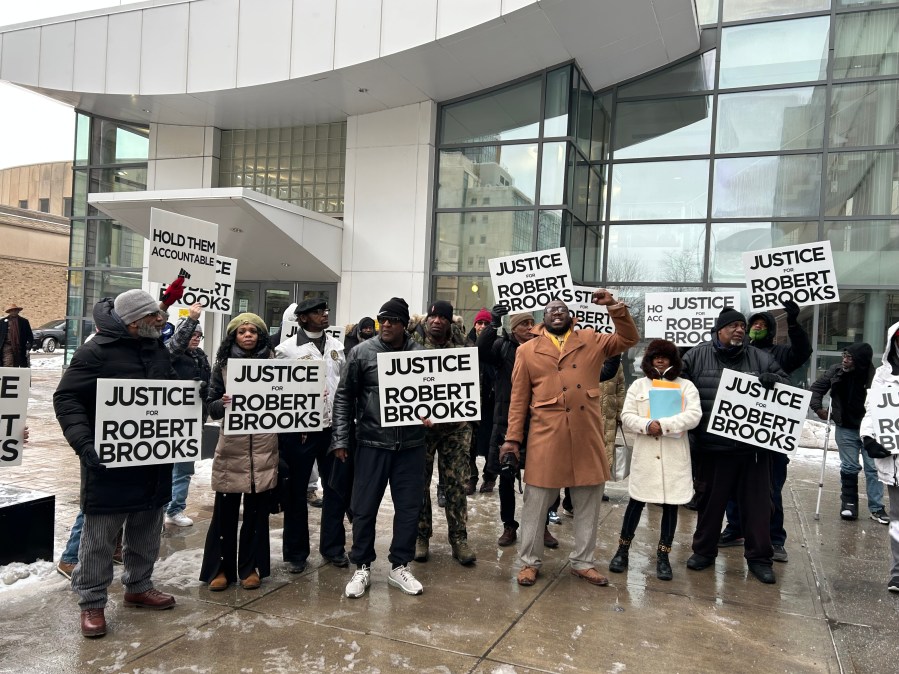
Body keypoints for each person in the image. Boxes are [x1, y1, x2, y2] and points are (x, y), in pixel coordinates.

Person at [53, 289, 179, 638]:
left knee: (146, 528)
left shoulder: (157, 348)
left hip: (152, 459)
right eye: (154, 315)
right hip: (109, 463)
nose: (160, 319)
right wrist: (84, 443)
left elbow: (167, 394)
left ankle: (139, 585)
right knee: (100, 538)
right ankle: (92, 602)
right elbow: (67, 397)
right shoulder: (94, 351)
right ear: (134, 320)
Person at [502, 290, 639, 588]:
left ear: (570, 316)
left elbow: (628, 339)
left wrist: (614, 307)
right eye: (551, 309)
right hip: (545, 436)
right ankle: (529, 561)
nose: (557, 312)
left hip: (585, 435)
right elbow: (518, 399)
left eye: (561, 309)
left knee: (588, 500)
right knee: (536, 503)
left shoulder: (591, 339)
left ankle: (583, 561)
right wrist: (512, 440)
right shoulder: (527, 351)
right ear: (543, 318)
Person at [680, 307, 789, 584]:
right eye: (733, 326)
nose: (740, 330)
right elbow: (678, 388)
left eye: (742, 326)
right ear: (719, 330)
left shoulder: (761, 357)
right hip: (712, 449)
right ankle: (703, 552)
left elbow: (788, 387)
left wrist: (775, 382)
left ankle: (759, 559)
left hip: (752, 451)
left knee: (758, 508)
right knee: (709, 505)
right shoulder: (696, 355)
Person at [331, 297, 429, 598]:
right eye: (382, 319)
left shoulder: (420, 355)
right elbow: (344, 397)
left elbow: (433, 394)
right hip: (371, 443)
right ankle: (362, 565)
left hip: (411, 446)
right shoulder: (361, 353)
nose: (386, 325)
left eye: (393, 320)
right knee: (363, 509)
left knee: (410, 509)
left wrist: (434, 413)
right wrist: (341, 439)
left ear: (404, 325)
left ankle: (400, 565)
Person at [719, 301, 813, 561]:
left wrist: (794, 323)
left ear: (771, 330)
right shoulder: (739, 352)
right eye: (753, 324)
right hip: (739, 431)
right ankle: (735, 529)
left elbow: (803, 351)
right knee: (734, 486)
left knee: (771, 489)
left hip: (770, 434)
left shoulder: (781, 353)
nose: (756, 328)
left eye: (762, 325)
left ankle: (774, 539)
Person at [609, 340, 701, 581]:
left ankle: (663, 556)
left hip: (674, 456)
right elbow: (627, 415)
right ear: (649, 360)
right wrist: (647, 425)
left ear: (673, 360)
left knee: (671, 506)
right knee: (636, 503)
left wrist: (666, 425)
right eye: (655, 357)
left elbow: (694, 415)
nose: (660, 360)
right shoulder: (639, 385)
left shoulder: (686, 386)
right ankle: (622, 550)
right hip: (646, 455)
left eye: (665, 357)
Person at [200, 313, 279, 591]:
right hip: (231, 447)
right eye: (242, 331)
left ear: (261, 335)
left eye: (253, 331)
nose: (248, 335)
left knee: (257, 513)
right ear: (233, 336)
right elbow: (210, 405)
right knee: (225, 511)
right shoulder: (222, 366)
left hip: (263, 447)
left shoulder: (274, 363)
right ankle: (220, 569)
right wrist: (221, 404)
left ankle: (250, 567)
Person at [275, 298, 349, 572]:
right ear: (302, 318)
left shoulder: (337, 346)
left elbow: (343, 385)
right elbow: (279, 392)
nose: (324, 315)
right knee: (296, 492)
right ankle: (295, 553)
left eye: (325, 311)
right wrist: (294, 423)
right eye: (318, 312)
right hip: (300, 432)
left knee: (335, 490)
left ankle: (333, 548)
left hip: (333, 429)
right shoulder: (285, 350)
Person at [411, 300, 476, 566]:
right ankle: (420, 536)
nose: (436, 320)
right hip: (420, 428)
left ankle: (458, 538)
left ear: (450, 321)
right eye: (432, 316)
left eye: (442, 317)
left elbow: (474, 382)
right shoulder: (411, 344)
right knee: (418, 485)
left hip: (456, 429)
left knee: (457, 485)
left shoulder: (463, 347)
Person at [478, 307, 537, 548]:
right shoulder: (502, 347)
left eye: (532, 322)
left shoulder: (542, 346)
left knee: (540, 479)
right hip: (506, 420)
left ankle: (540, 526)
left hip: (537, 421)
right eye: (524, 323)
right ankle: (509, 525)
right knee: (506, 475)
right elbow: (480, 350)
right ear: (514, 327)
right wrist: (493, 323)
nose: (529, 327)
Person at [809, 343, 886, 523]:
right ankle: (849, 505)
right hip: (845, 428)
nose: (844, 360)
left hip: (871, 430)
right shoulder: (836, 371)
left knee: (873, 469)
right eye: (844, 355)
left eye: (849, 357)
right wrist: (818, 408)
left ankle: (877, 508)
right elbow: (817, 388)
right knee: (849, 467)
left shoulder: (876, 376)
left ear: (860, 360)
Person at [859, 321, 899, 592]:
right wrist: (869, 437)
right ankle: (898, 572)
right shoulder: (883, 375)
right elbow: (873, 409)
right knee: (897, 520)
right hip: (894, 463)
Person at [164, 303, 211, 528]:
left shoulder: (201, 357)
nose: (195, 338)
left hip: (191, 422)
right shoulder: (168, 353)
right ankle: (160, 509)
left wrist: (206, 390)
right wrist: (191, 319)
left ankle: (176, 508)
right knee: (163, 468)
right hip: (167, 420)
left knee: (184, 468)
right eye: (192, 334)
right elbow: (173, 348)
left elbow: (210, 386)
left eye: (199, 335)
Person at [467, 308, 497, 495]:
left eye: (487, 323)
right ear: (475, 325)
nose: (483, 326)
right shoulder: (465, 345)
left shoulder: (498, 344)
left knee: (491, 445)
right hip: (470, 403)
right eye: (480, 323)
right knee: (468, 444)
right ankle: (470, 478)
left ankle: (490, 477)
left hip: (491, 403)